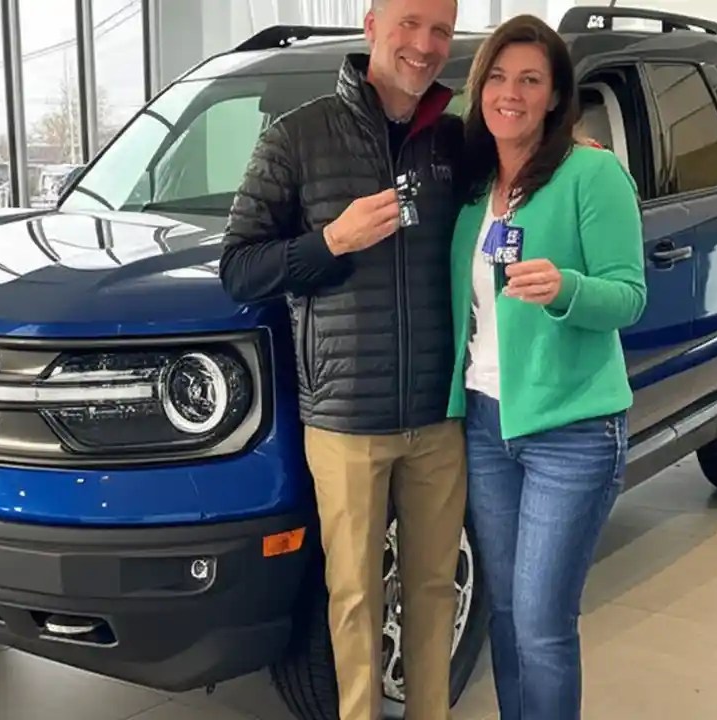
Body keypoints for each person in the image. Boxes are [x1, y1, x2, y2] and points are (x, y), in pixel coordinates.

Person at [219, 1, 467, 718]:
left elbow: (524, 170)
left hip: (439, 415)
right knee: (354, 597)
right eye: (410, 22)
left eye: (441, 30)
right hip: (346, 419)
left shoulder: (455, 140)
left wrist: (576, 148)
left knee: (433, 591)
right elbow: (238, 269)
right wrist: (332, 241)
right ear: (372, 25)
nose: (425, 45)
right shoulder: (296, 138)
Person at [443, 13, 647, 720]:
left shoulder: (592, 173)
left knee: (540, 623)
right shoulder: (474, 186)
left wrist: (567, 288)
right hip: (485, 422)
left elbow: (630, 295)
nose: (512, 93)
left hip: (573, 429)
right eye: (498, 77)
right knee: (503, 614)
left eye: (531, 80)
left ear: (557, 95)